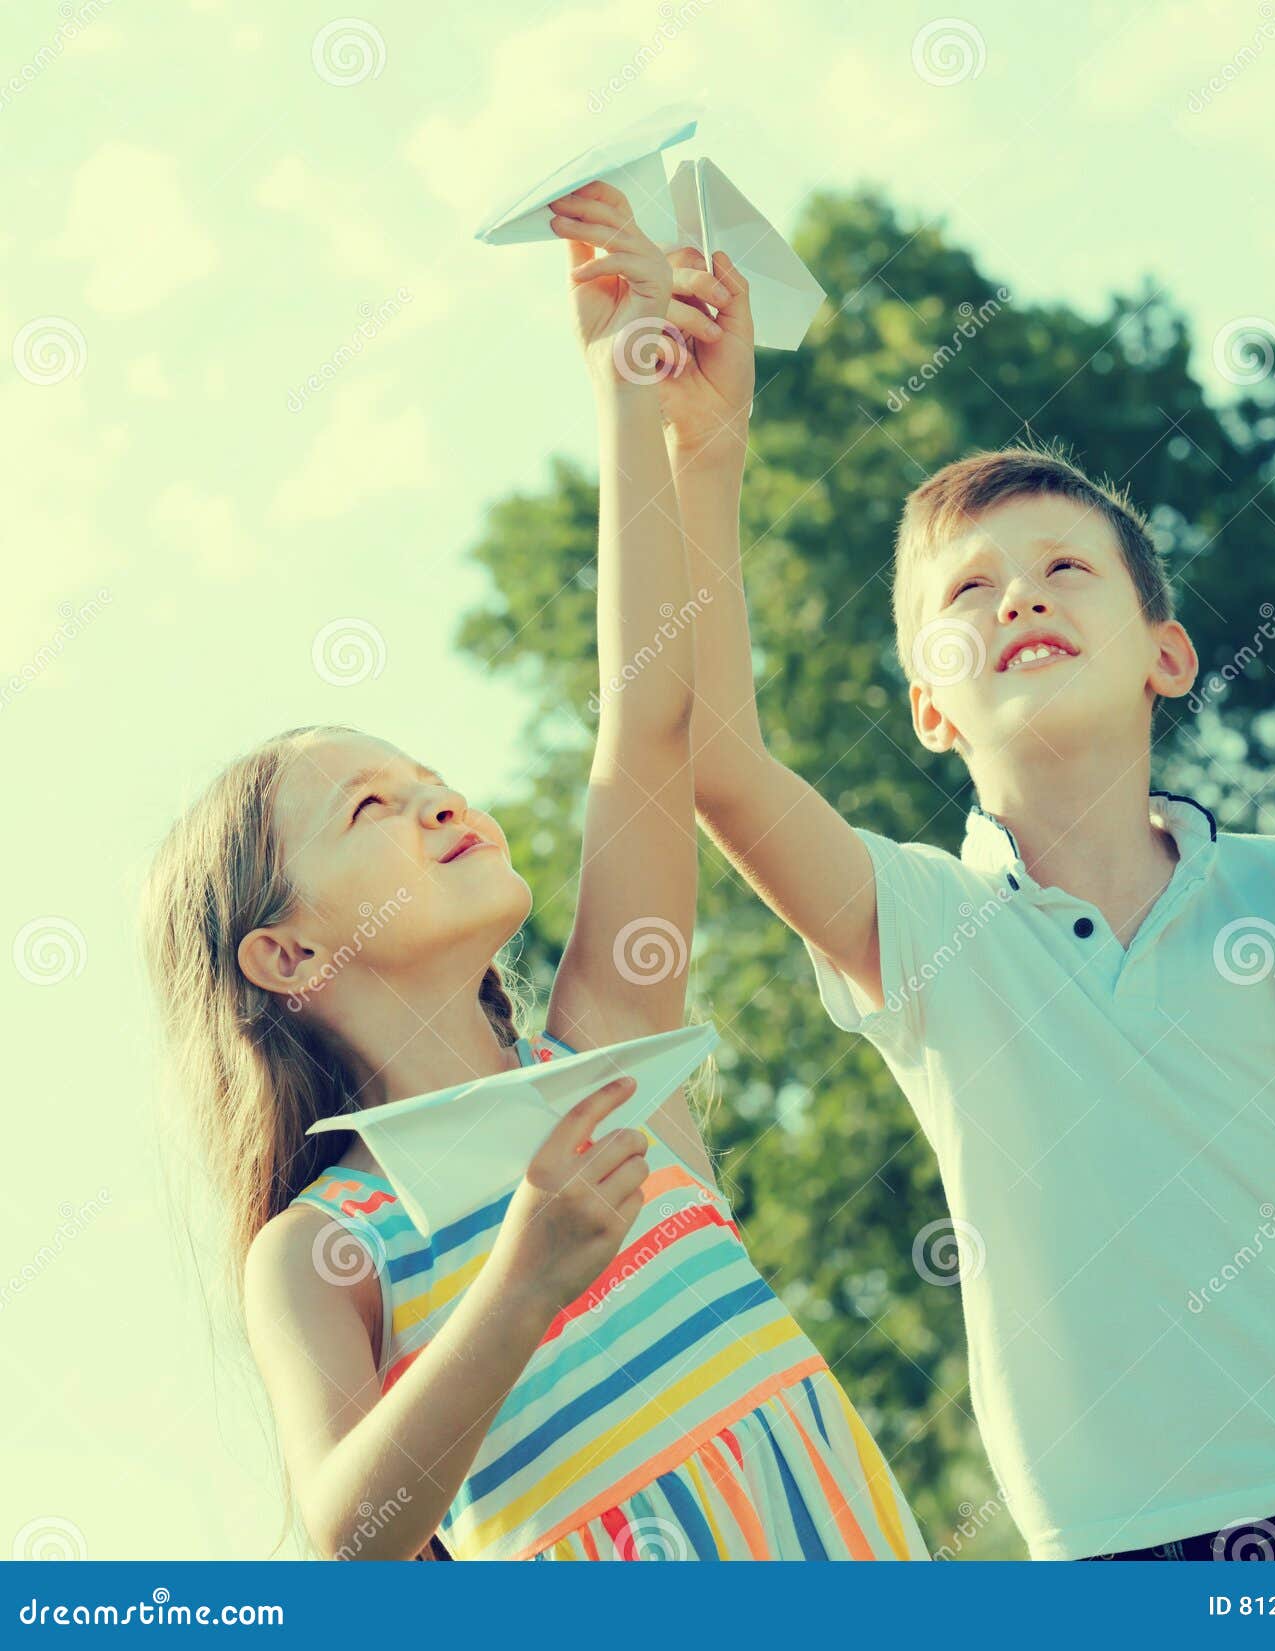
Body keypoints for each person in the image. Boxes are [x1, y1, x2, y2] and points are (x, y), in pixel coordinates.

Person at [139, 182, 926, 1563]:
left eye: (427, 772)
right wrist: (520, 1281)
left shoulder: (612, 1053)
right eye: (373, 804)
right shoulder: (323, 1246)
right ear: (288, 953)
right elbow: (349, 1537)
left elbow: (648, 720)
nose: (439, 796)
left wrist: (659, 411)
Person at [671, 288, 1275, 1561]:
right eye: (966, 589)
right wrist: (703, 445)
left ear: (1164, 655)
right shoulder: (917, 920)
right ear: (927, 711)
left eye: (1065, 568)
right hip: (1129, 1559)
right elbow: (716, 761)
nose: (1018, 599)